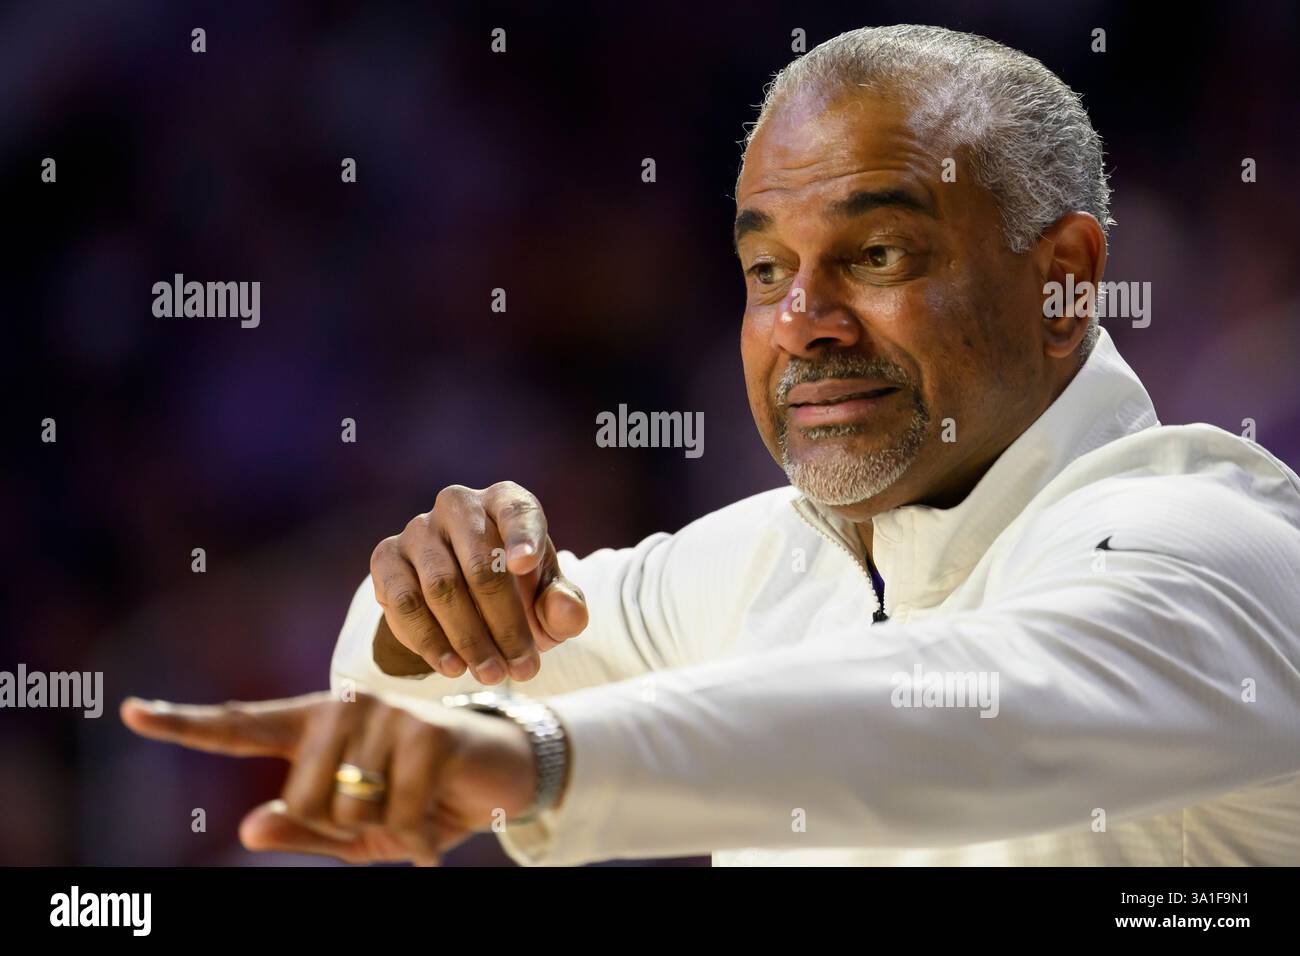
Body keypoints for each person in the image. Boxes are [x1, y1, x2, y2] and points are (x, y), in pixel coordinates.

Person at [123, 24, 1300, 866]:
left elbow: (958, 707)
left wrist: (544, 759)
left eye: (877, 255)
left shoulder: (1215, 544)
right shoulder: (770, 561)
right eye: (766, 268)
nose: (802, 322)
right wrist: (430, 610)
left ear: (1065, 280)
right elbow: (407, 700)